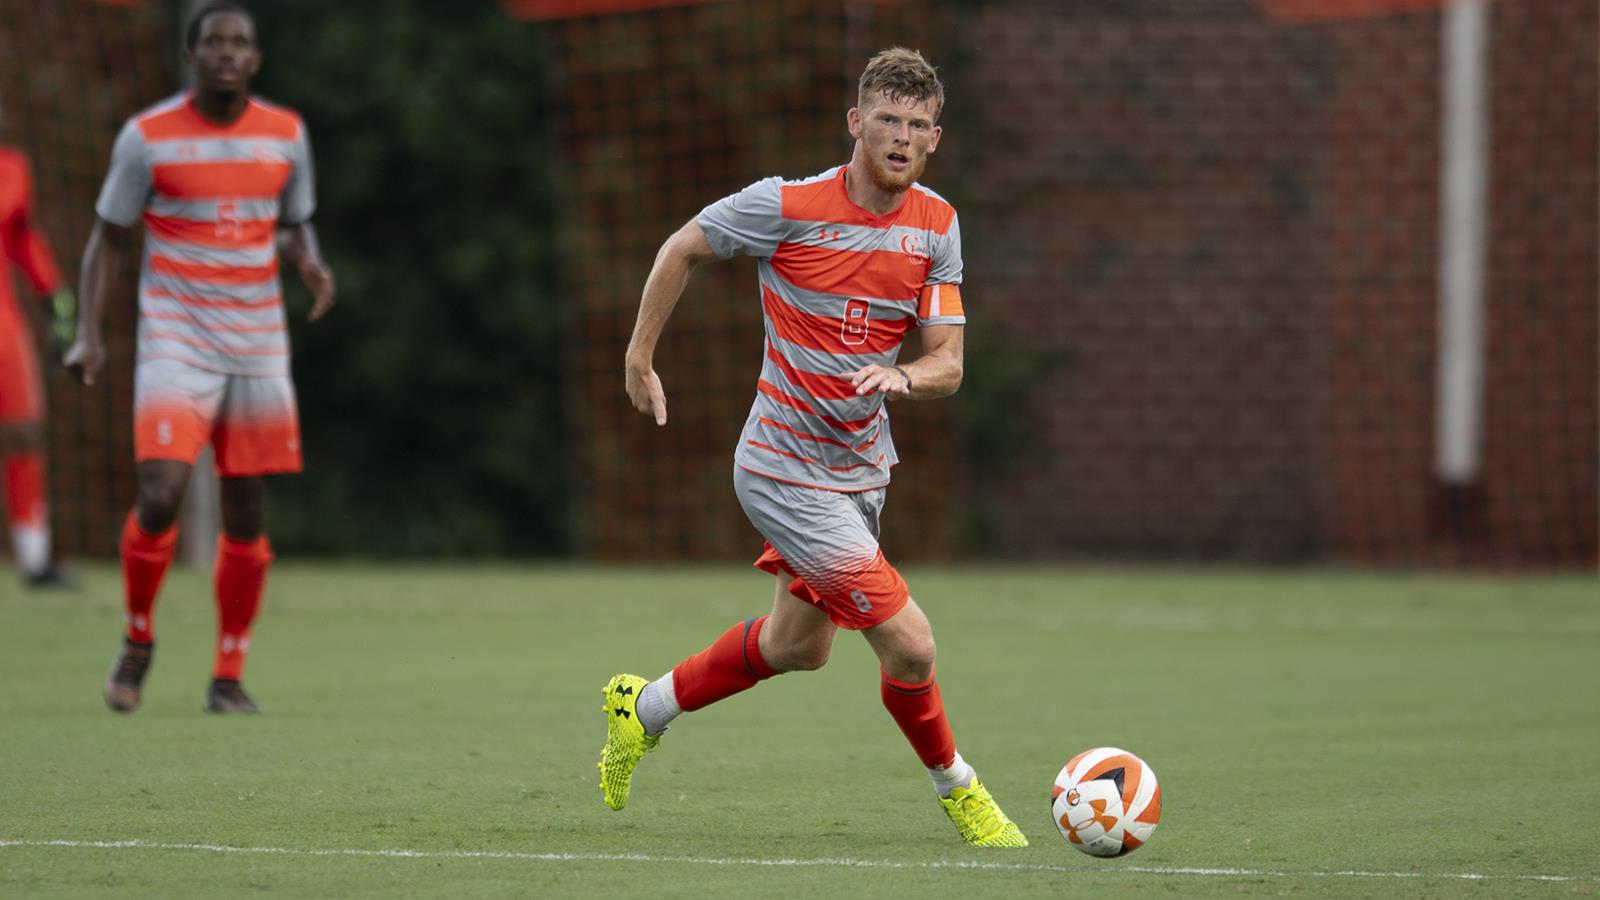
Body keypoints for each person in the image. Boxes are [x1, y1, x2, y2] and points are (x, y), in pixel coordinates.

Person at [601, 47, 1026, 848]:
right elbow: (680, 248)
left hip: (861, 472)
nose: (901, 137)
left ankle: (641, 708)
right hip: (780, 471)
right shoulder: (788, 205)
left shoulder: (937, 224)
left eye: (918, 126)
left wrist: (903, 377)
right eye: (888, 120)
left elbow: (950, 363)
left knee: (796, 648)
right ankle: (960, 792)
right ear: (855, 123)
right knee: (910, 643)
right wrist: (638, 356)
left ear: (935, 138)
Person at [65, 1, 334, 714]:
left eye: (239, 42)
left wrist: (311, 263)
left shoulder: (285, 136)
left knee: (247, 515)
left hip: (258, 348)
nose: (226, 52)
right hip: (174, 343)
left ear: (255, 59)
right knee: (160, 496)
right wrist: (89, 331)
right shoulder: (147, 138)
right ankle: (138, 636)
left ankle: (227, 673)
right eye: (213, 41)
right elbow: (108, 238)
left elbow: (295, 222)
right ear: (191, 57)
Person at [0, 103, 79, 589]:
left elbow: (23, 240)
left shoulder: (11, 169)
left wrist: (55, 298)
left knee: (23, 431)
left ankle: (34, 557)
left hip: (3, 323)